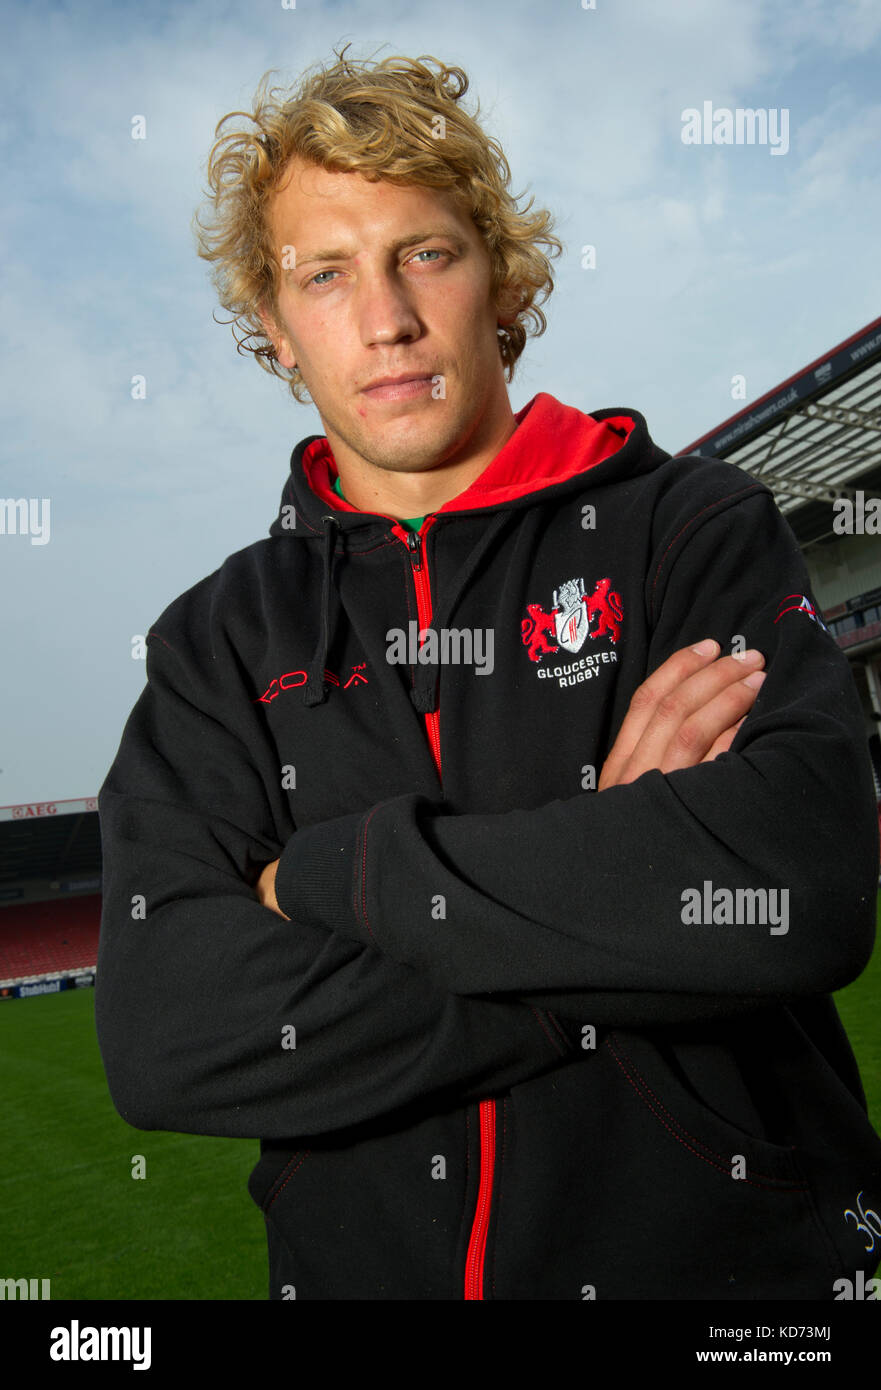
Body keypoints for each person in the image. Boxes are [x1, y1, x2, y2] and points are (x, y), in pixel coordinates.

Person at [95, 47, 881, 1301]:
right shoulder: (218, 642)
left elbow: (797, 883)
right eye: (324, 274)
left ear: (499, 272)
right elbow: (165, 1035)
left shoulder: (685, 526)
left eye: (425, 252)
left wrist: (327, 879)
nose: (386, 318)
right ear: (273, 324)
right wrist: (605, 887)